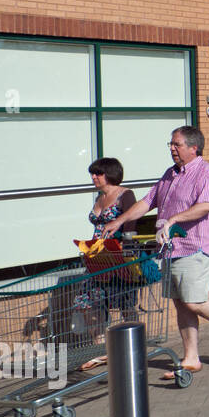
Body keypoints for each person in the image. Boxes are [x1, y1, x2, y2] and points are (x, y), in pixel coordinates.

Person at [103, 127, 209, 379]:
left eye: (177, 144)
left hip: (195, 246)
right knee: (181, 304)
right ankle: (191, 357)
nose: (172, 148)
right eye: (171, 144)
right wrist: (119, 221)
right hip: (169, 249)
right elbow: (147, 202)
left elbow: (207, 205)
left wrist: (173, 220)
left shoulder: (207, 172)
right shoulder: (170, 174)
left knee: (193, 300)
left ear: (193, 147)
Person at [75, 157, 138, 371]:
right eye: (92, 174)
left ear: (109, 174)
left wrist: (123, 250)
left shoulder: (125, 195)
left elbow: (131, 225)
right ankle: (101, 349)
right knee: (88, 301)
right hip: (97, 258)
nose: (93, 177)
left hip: (118, 259)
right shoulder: (99, 197)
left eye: (97, 174)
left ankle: (134, 346)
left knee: (126, 304)